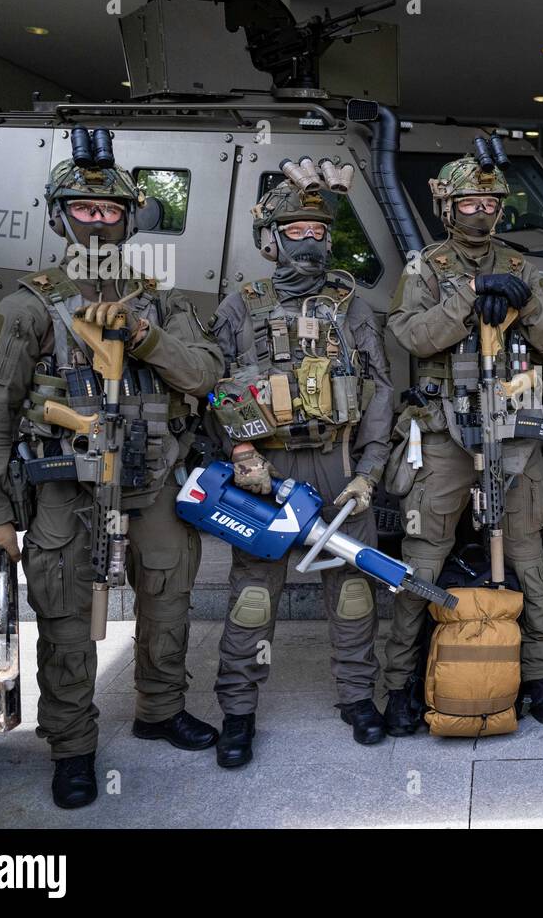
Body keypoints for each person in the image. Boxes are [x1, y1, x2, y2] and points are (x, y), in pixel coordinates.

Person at [0, 139, 223, 808]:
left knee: (168, 602)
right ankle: (73, 745)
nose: (98, 221)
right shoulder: (26, 309)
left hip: (155, 479)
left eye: (111, 209)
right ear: (59, 218)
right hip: (65, 486)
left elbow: (205, 377)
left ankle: (161, 710)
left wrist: (145, 338)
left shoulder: (162, 303)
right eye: (83, 207)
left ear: (130, 219)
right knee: (65, 619)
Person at [381, 151, 543, 735]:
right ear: (447, 207)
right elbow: (414, 337)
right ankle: (399, 684)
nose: (481, 212)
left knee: (528, 561)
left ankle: (537, 678)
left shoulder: (523, 264)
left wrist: (524, 300)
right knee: (422, 559)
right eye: (470, 202)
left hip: (513, 437)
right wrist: (469, 294)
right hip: (443, 436)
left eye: (491, 203)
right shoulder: (425, 267)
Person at [208, 168, 393, 767]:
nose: (309, 240)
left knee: (353, 592)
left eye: (318, 229)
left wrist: (369, 472)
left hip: (338, 467)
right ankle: (238, 711)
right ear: (272, 239)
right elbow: (211, 390)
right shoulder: (240, 306)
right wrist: (242, 455)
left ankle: (358, 698)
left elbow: (379, 396)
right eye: (296, 229)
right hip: (266, 470)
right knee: (254, 596)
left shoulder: (353, 308)